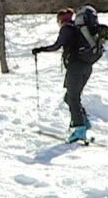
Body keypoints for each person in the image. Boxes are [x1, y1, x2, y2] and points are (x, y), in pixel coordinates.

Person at [31, 8, 93, 143]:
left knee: (72, 97)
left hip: (76, 68)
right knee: (69, 97)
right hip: (87, 66)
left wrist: (40, 49)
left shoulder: (67, 29)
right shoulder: (79, 29)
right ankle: (85, 122)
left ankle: (79, 129)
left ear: (60, 20)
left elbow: (57, 45)